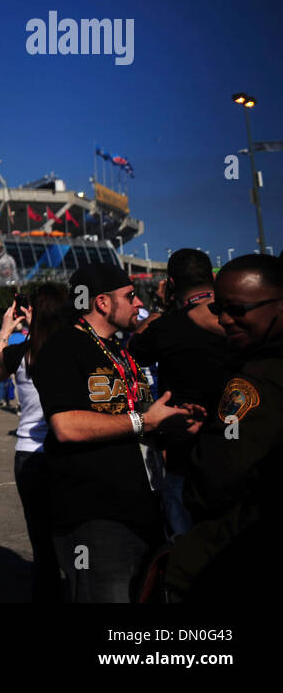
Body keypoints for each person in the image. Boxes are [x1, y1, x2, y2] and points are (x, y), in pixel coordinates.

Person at [31, 262, 203, 602]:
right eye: (130, 296)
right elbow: (66, 426)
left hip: (144, 508)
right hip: (96, 515)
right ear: (103, 303)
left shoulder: (122, 352)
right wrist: (145, 421)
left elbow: (136, 422)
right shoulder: (64, 346)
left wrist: (172, 425)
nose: (139, 303)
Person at [163, 254, 283, 600]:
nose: (227, 320)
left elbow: (216, 479)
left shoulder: (255, 382)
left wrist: (212, 440)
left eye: (240, 309)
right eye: (220, 310)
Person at [126, 248, 229, 538]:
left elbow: (135, 350)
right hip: (241, 450)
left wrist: (162, 307)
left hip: (184, 454)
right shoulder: (241, 321)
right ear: (212, 277)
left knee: (182, 548)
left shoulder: (166, 327)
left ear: (171, 284)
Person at [0, 283, 69, 602]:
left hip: (31, 455)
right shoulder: (73, 347)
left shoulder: (22, 351)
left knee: (42, 544)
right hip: (68, 450)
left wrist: (6, 329)